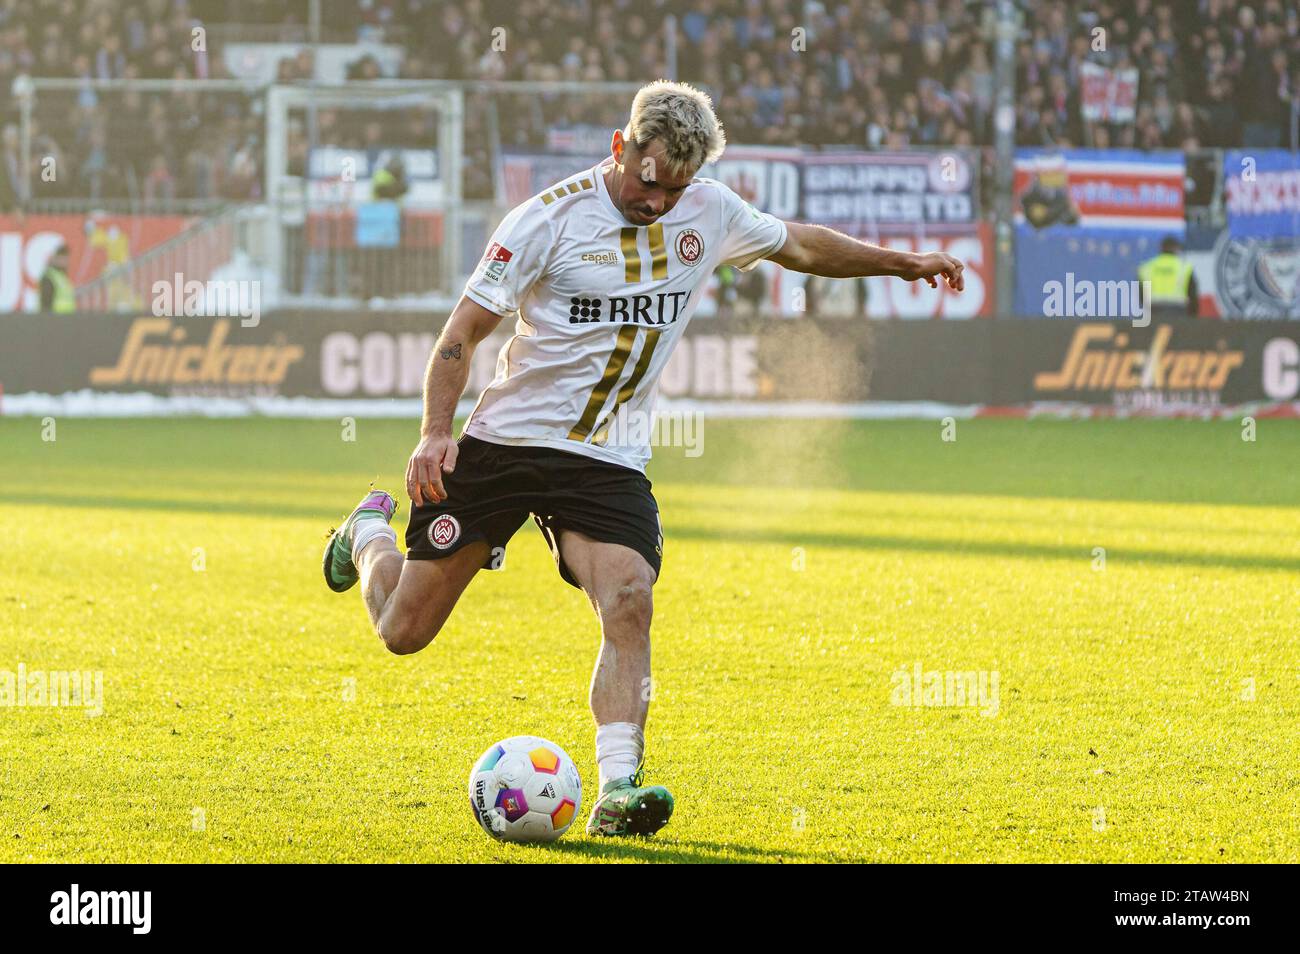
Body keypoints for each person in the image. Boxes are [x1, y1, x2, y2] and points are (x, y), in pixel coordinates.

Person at [320, 81, 964, 838]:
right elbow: (461, 334)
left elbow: (801, 245)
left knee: (629, 597)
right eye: (647, 181)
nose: (657, 202)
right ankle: (365, 534)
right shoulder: (545, 220)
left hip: (606, 459)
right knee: (403, 633)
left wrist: (902, 263)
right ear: (620, 147)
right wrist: (436, 430)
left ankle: (617, 791)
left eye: (675, 188)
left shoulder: (712, 211)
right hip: (506, 445)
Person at [1138, 235, 1198, 319]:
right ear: (1177, 248)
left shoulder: (1147, 267)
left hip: (1154, 310)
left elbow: (1141, 294)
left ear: (1161, 248)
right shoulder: (1185, 267)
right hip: (1177, 311)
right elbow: (1192, 294)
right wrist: (1193, 316)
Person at [39, 244, 76, 313]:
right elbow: (46, 303)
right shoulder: (49, 277)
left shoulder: (62, 277)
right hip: (55, 320)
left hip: (65, 320)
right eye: (61, 257)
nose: (64, 261)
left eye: (66, 258)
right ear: (55, 258)